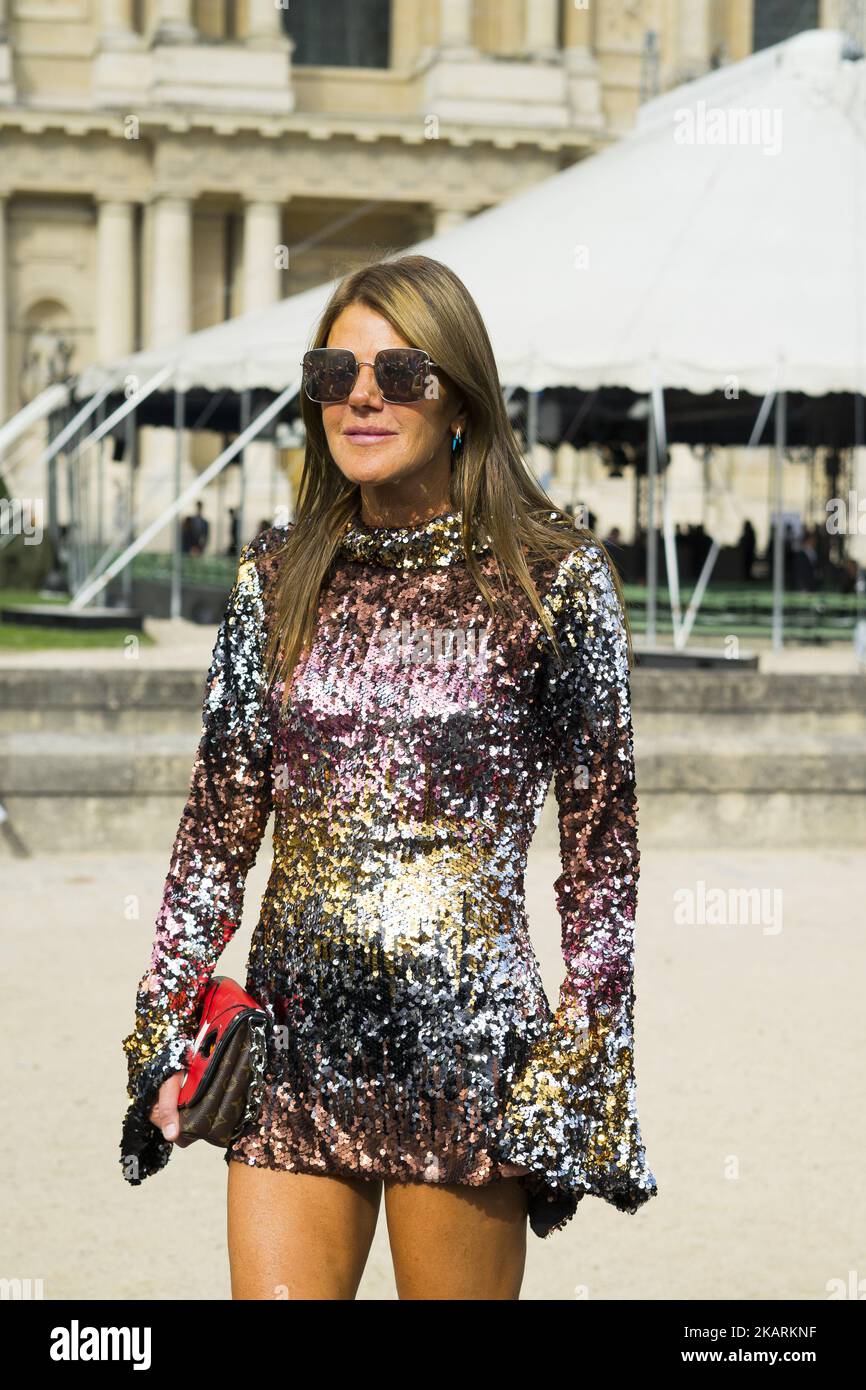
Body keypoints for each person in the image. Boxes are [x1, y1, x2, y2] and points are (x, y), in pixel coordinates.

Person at [119, 254, 657, 1300]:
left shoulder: (554, 582)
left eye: (399, 371)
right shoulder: (274, 578)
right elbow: (214, 833)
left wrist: (577, 1053)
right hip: (289, 1047)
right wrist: (162, 1022)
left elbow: (601, 858)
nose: (361, 395)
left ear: (457, 391)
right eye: (334, 373)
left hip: (465, 1059)